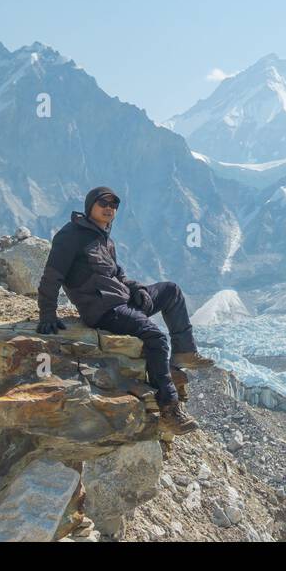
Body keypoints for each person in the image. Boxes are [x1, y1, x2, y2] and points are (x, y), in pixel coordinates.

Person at [35, 185, 213, 434]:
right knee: (156, 338)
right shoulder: (70, 236)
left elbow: (117, 274)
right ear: (90, 206)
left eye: (114, 204)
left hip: (122, 300)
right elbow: (52, 276)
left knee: (170, 291)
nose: (109, 208)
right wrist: (47, 313)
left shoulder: (103, 237)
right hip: (103, 311)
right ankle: (169, 408)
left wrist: (137, 288)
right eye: (103, 203)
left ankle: (184, 352)